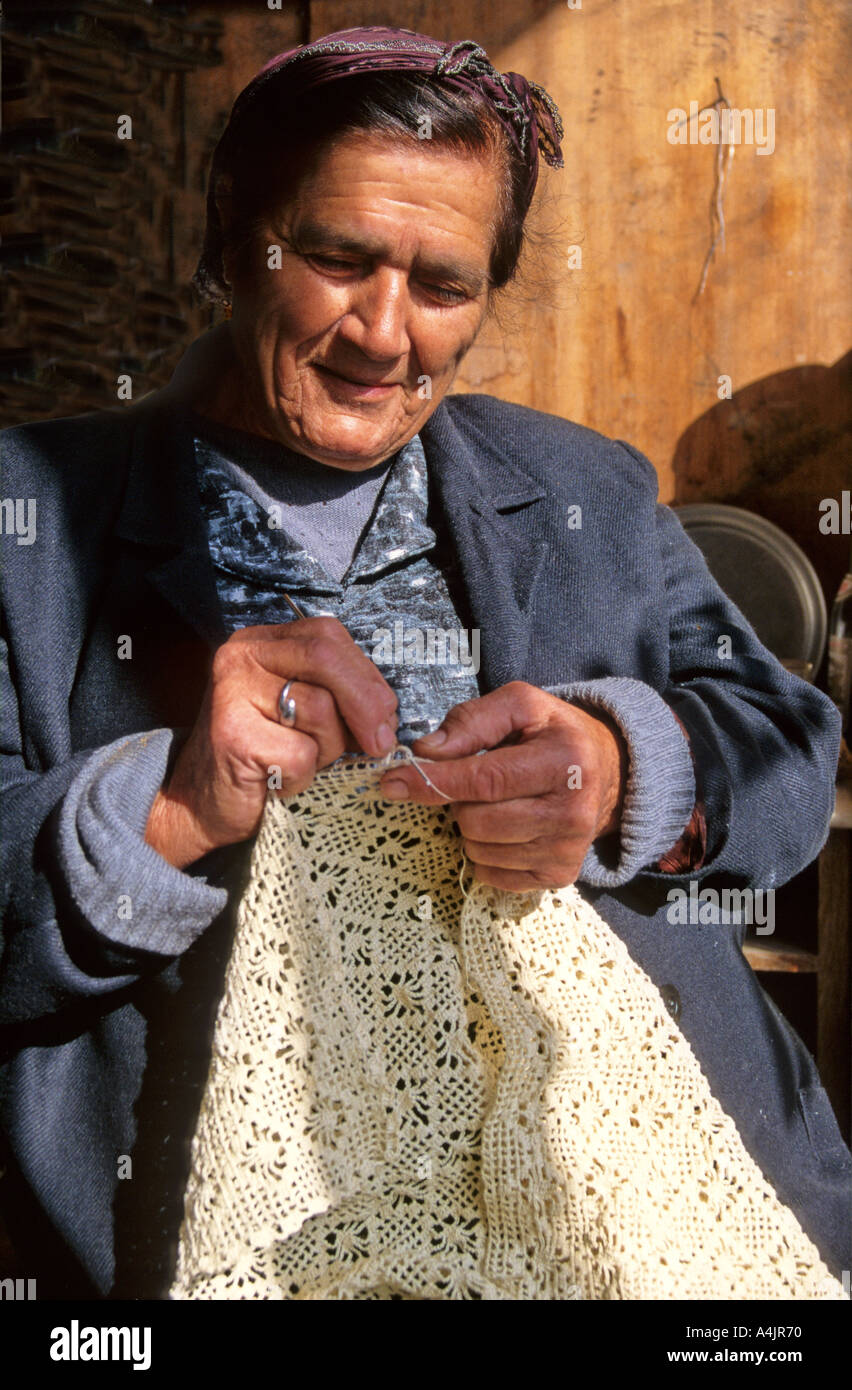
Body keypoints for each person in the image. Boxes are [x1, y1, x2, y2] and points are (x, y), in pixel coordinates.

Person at [0, 26, 848, 1300]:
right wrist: (169, 806)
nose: (382, 334)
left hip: (630, 1229)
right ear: (236, 238)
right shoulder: (30, 517)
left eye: (443, 284)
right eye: (338, 258)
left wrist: (626, 774)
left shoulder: (586, 491)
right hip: (223, 1234)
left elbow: (789, 751)